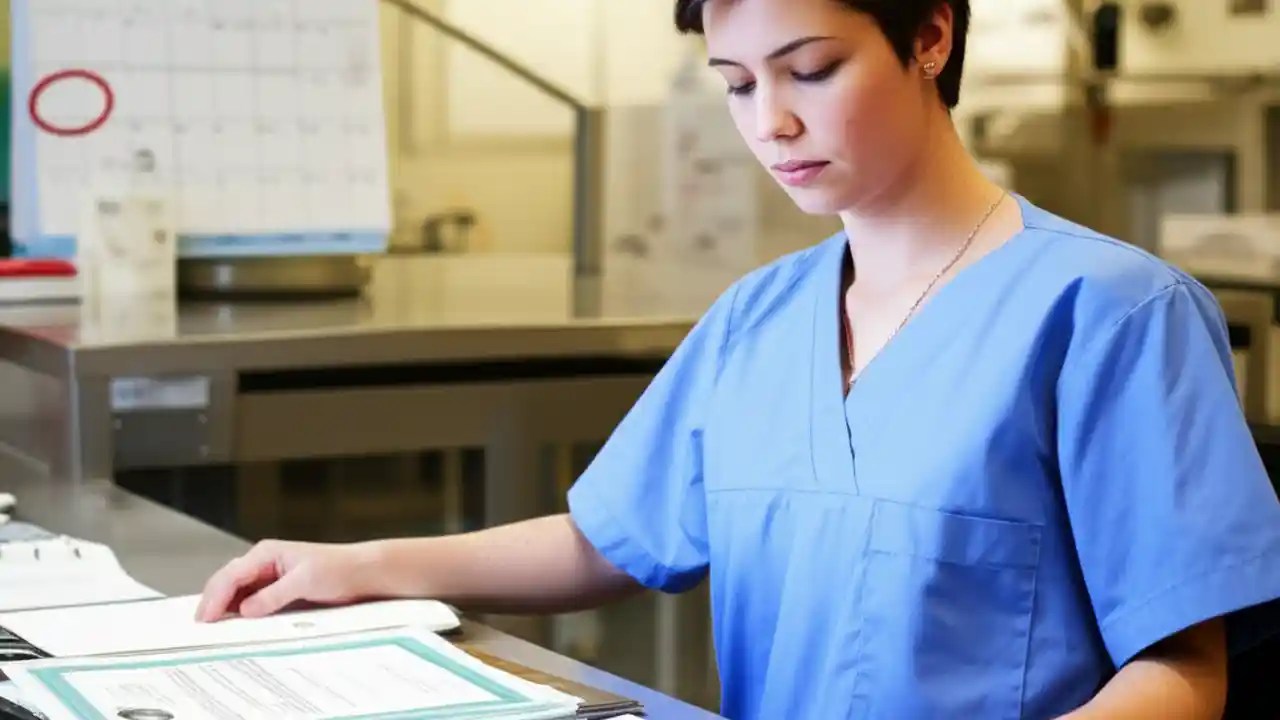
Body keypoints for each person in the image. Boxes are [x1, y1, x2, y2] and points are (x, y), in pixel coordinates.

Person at [196, 0, 1280, 717]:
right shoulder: (759, 318)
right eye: (737, 84)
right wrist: (362, 566)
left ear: (929, 36)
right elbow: (608, 538)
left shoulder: (1110, 315)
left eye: (810, 70)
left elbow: (1182, 673)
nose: (772, 124)